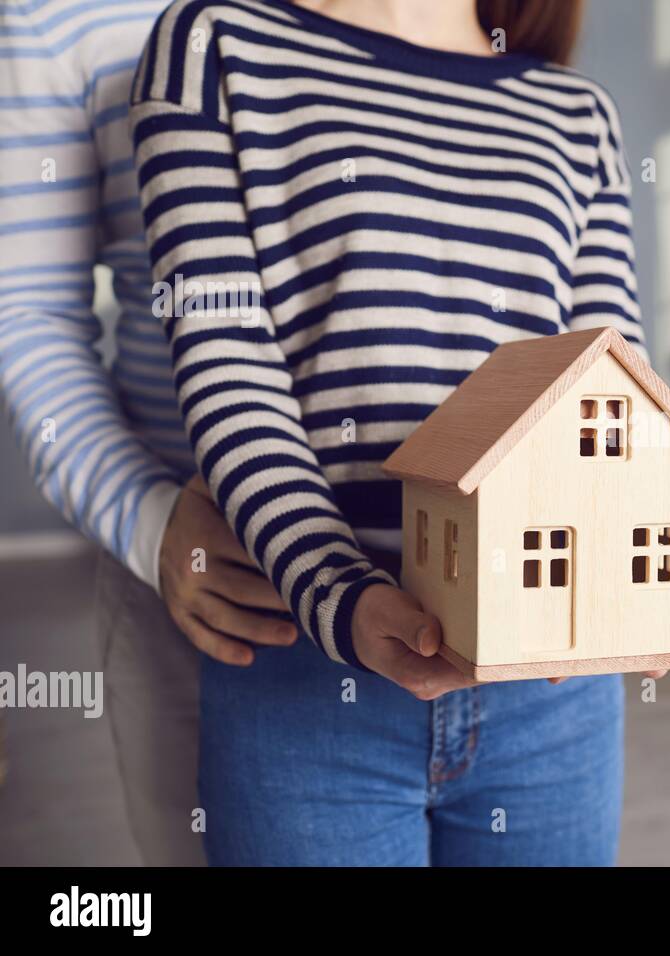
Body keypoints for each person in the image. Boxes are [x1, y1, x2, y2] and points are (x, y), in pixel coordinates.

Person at [129, 0, 651, 865]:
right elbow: (229, 370)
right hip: (306, 668)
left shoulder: (579, 114)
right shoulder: (213, 49)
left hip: (552, 697)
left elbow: (606, 386)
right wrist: (344, 597)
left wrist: (623, 592)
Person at [0, 0, 304, 866]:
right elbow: (30, 314)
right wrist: (152, 522)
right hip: (207, 589)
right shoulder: (52, 17)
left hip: (430, 563)